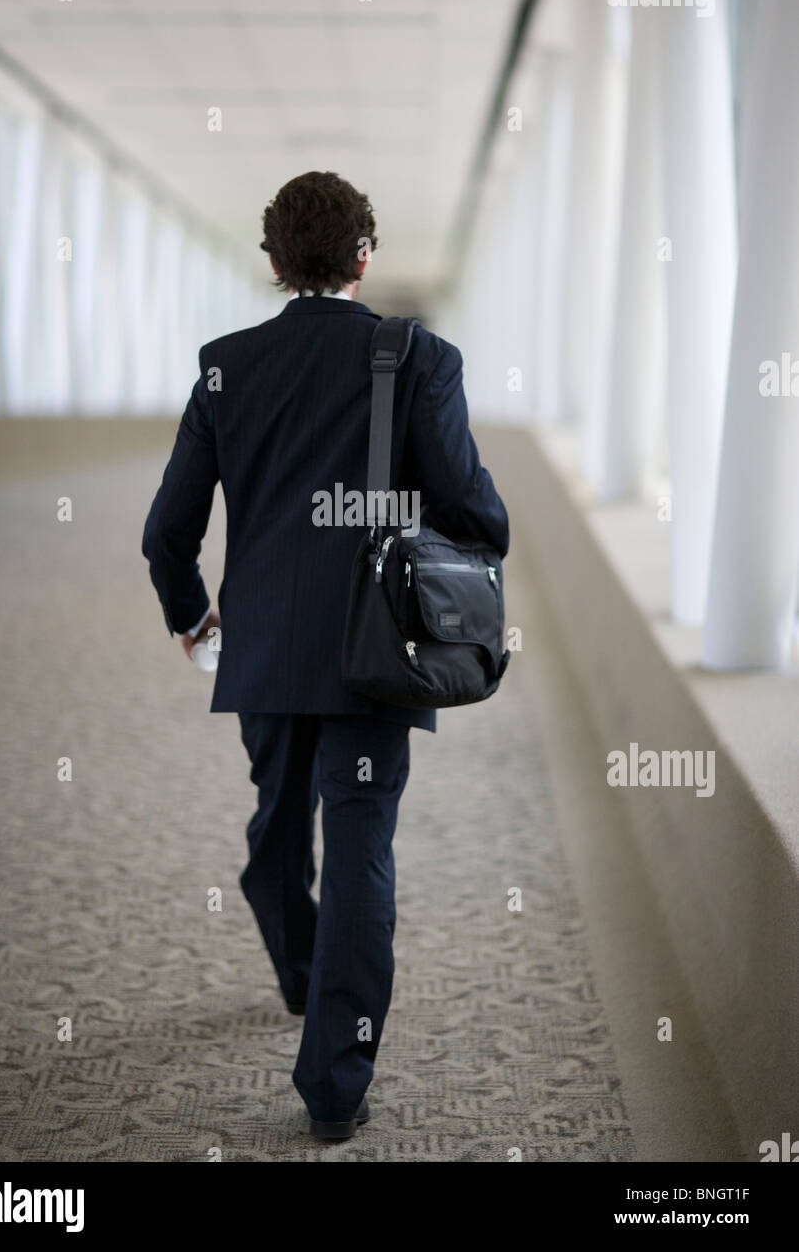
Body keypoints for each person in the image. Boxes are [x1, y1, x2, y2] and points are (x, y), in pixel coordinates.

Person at [142, 170, 509, 1140]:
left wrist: (191, 616)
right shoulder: (419, 357)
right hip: (374, 650)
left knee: (274, 832)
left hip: (261, 648)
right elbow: (473, 510)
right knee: (358, 852)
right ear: (364, 256)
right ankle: (334, 1086)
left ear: (271, 263)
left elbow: (164, 533)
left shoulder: (222, 366)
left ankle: (300, 972)